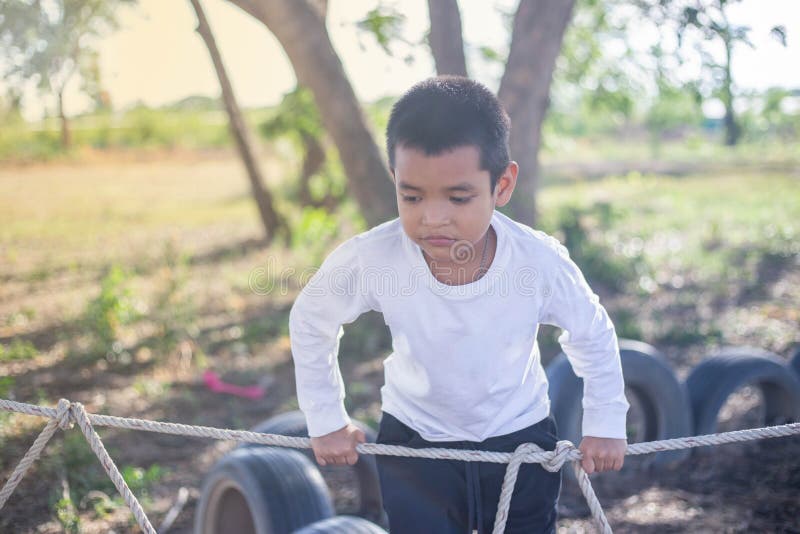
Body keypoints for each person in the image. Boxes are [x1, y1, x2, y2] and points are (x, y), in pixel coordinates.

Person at [288, 76, 629, 533]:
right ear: (395, 180)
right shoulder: (374, 257)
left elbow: (592, 332)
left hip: (519, 442)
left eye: (458, 197)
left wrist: (606, 420)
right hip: (415, 443)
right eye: (412, 196)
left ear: (502, 185)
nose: (432, 217)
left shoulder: (537, 261)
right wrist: (326, 418)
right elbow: (312, 320)